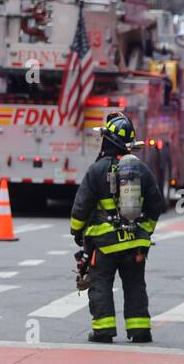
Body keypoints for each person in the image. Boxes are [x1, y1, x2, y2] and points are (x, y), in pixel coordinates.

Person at [71, 112, 167, 343]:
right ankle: (140, 330)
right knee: (135, 285)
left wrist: (76, 232)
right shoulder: (141, 169)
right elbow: (157, 205)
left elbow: (81, 207)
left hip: (104, 245)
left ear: (106, 139)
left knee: (101, 284)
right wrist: (145, 230)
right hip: (135, 243)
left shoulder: (96, 170)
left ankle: (103, 331)